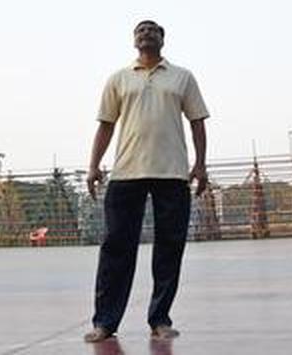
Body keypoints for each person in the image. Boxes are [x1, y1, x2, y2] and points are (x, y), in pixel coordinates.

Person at [84, 20, 209, 343]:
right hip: (126, 173)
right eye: (141, 30)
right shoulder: (119, 79)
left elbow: (197, 121)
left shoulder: (182, 77)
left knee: (169, 248)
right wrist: (94, 166)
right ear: (133, 40)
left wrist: (200, 164)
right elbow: (106, 125)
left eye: (153, 30)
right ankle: (105, 322)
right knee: (116, 248)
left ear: (163, 40)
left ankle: (160, 319)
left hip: (172, 173)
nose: (147, 33)